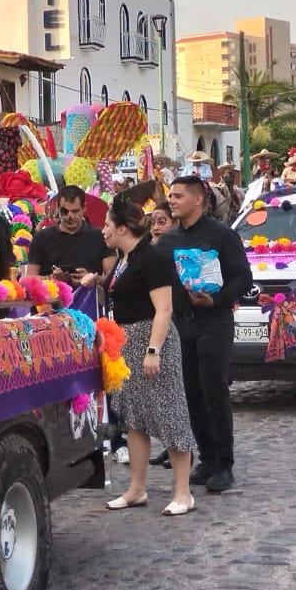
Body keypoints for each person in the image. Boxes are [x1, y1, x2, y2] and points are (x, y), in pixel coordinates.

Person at [102, 199, 197, 516]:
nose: (103, 230)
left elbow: (164, 310)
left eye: (107, 225)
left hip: (153, 340)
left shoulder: (151, 257)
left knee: (171, 413)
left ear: (123, 228)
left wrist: (153, 350)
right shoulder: (124, 258)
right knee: (135, 417)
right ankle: (136, 489)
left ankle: (183, 492)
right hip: (128, 340)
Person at [157, 176, 251, 494]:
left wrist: (219, 298)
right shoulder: (168, 241)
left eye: (178, 195)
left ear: (197, 199)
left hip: (214, 321)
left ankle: (224, 464)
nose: (172, 200)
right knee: (191, 395)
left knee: (215, 392)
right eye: (170, 195)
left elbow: (243, 277)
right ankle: (207, 459)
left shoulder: (222, 236)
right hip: (181, 324)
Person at [27, 185, 115, 287]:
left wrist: (92, 279)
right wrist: (51, 279)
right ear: (57, 208)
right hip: (53, 299)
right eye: (64, 211)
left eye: (75, 211)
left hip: (89, 300)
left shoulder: (100, 236)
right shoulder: (42, 237)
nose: (70, 216)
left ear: (84, 208)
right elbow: (30, 277)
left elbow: (111, 279)